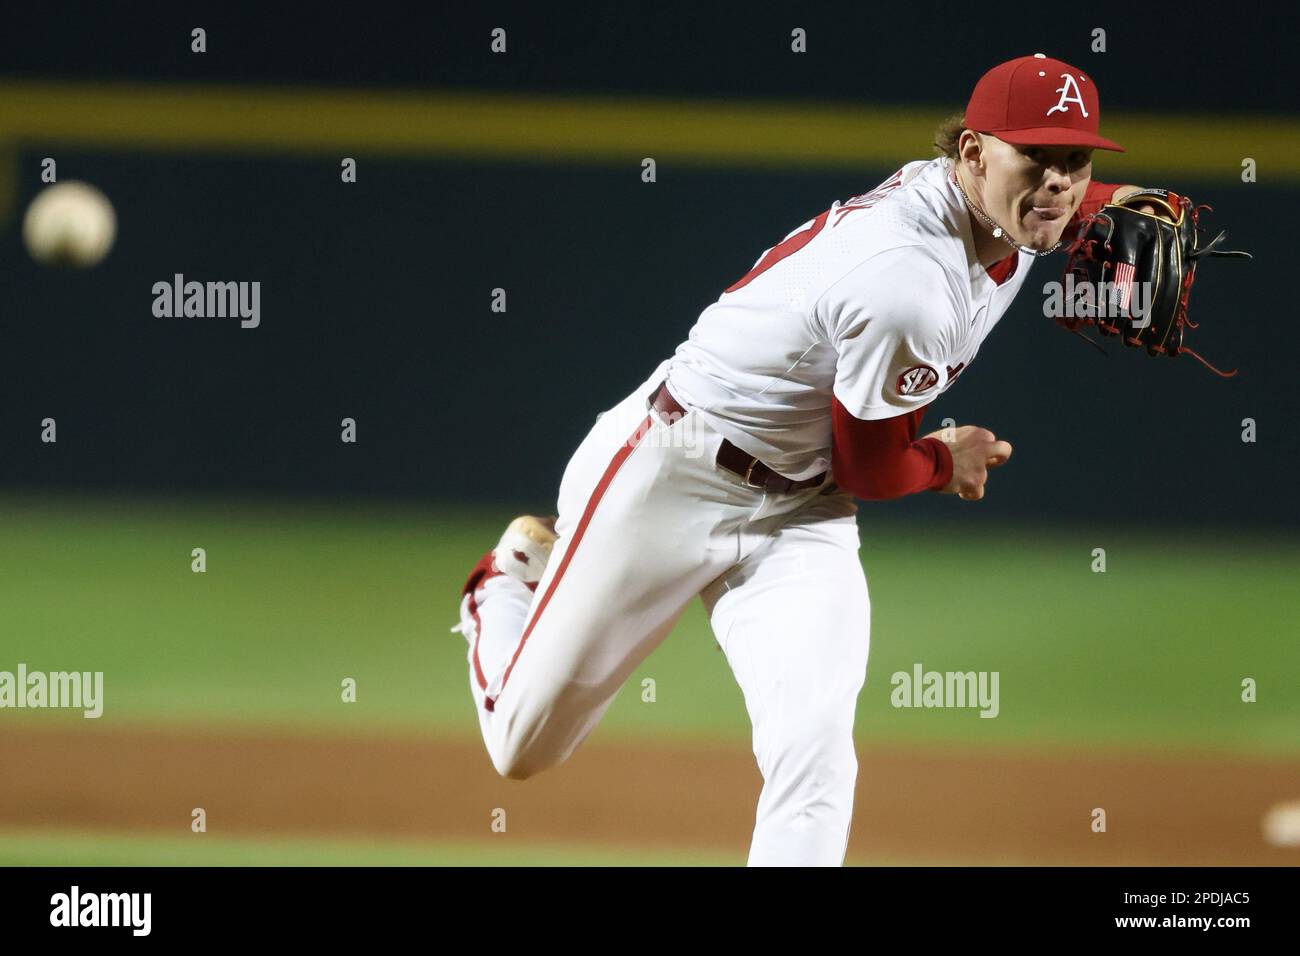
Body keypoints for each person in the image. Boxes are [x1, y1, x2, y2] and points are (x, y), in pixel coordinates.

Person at [452, 54, 1160, 865]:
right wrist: (945, 460)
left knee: (814, 750)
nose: (1062, 186)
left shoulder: (1009, 207)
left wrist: (1110, 198)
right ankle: (506, 582)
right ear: (970, 154)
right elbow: (872, 469)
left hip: (801, 511)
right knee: (521, 748)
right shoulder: (908, 281)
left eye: (1078, 162)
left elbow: (1047, 203)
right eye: (1039, 159)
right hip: (672, 470)